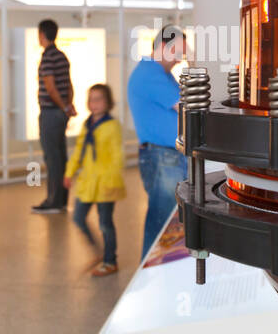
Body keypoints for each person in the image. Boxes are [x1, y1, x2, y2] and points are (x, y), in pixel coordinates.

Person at [126, 24, 189, 257]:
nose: (179, 60)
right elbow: (186, 107)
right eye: (178, 54)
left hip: (168, 157)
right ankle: (149, 278)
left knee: (169, 224)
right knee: (163, 223)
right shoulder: (151, 74)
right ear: (163, 47)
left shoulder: (161, 74)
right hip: (164, 158)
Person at [63, 84, 126, 277]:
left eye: (99, 99)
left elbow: (117, 156)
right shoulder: (87, 124)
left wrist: (112, 179)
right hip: (89, 182)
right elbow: (79, 152)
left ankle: (110, 261)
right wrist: (69, 172)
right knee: (78, 217)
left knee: (105, 223)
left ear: (108, 102)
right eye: (91, 99)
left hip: (106, 182)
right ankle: (99, 251)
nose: (95, 103)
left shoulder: (112, 125)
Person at [32, 18, 75, 214]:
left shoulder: (48, 57)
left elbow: (50, 87)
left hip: (51, 113)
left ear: (42, 34)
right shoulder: (61, 56)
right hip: (59, 113)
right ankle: (61, 199)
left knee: (53, 158)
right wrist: (67, 106)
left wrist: (63, 107)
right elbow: (68, 85)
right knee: (60, 157)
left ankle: (53, 201)